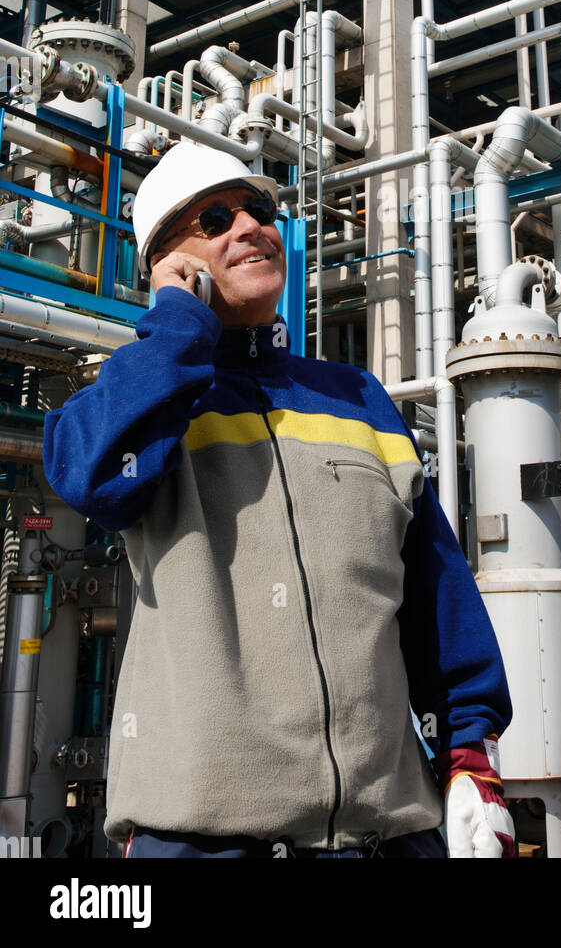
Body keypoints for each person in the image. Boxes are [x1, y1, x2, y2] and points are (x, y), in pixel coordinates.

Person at [43, 141, 515, 859]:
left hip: (385, 833)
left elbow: (434, 590)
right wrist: (177, 325)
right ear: (169, 264)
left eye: (259, 210)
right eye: (214, 217)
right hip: (202, 838)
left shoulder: (356, 398)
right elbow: (89, 476)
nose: (251, 227)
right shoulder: (148, 395)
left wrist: (469, 756)